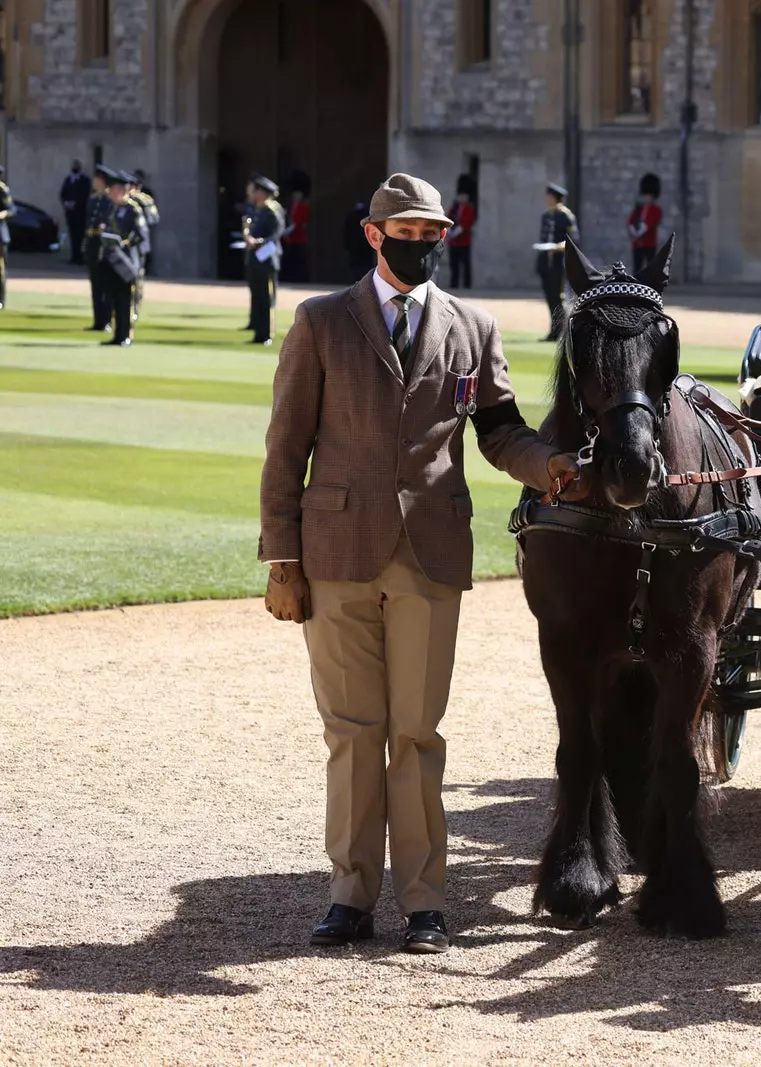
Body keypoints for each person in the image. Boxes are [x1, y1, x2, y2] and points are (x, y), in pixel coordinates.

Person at [259, 173, 583, 954]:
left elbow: (502, 431)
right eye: (408, 231)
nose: (424, 243)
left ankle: (426, 901)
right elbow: (285, 448)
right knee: (351, 730)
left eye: (434, 231)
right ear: (375, 235)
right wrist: (282, 559)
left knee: (417, 732)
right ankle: (349, 895)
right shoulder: (321, 321)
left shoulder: (473, 324)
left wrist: (553, 468)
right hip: (336, 553)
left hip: (430, 553)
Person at [98, 172, 148, 347]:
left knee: (126, 299)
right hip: (114, 259)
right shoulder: (114, 208)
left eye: (113, 190)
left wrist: (124, 243)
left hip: (128, 259)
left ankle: (126, 334)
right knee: (115, 297)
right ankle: (117, 334)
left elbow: (141, 235)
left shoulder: (133, 209)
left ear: (120, 191)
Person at [243, 174, 286, 345]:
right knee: (257, 296)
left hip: (267, 260)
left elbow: (275, 235)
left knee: (267, 298)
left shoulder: (272, 211)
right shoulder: (259, 210)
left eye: (254, 190)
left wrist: (258, 242)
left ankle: (266, 334)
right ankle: (258, 333)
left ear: (261, 192)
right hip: (256, 259)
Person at [536, 182, 578, 341]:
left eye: (549, 196)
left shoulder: (566, 216)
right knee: (549, 296)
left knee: (559, 297)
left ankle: (563, 331)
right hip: (545, 262)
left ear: (555, 198)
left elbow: (574, 240)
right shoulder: (546, 215)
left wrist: (559, 246)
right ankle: (554, 331)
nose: (546, 198)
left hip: (559, 262)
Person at [85, 165, 117, 332]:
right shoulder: (93, 199)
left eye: (97, 180)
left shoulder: (109, 201)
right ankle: (98, 320)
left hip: (103, 245)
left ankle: (106, 320)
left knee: (106, 284)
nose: (95, 183)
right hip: (92, 243)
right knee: (95, 284)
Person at [126, 173, 159, 320]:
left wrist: (140, 221)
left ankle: (135, 308)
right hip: (124, 244)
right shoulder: (123, 200)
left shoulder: (144, 199)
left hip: (139, 245)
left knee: (137, 279)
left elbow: (154, 218)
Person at [627, 173, 663, 275]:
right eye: (646, 195)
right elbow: (631, 220)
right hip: (637, 244)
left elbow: (652, 224)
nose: (647, 198)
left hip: (649, 243)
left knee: (651, 266)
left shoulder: (656, 209)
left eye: (649, 195)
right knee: (637, 267)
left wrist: (639, 232)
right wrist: (633, 231)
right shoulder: (639, 208)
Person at [446, 175, 477, 290]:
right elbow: (448, 219)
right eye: (461, 195)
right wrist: (449, 231)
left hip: (464, 241)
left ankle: (467, 285)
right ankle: (454, 284)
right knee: (454, 265)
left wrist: (458, 231)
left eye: (464, 196)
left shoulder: (469, 209)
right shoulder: (454, 208)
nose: (462, 197)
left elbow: (468, 222)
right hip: (453, 241)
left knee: (465, 264)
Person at [61, 160, 92, 267]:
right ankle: (74, 256)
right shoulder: (68, 180)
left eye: (76, 166)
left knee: (81, 236)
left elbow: (85, 195)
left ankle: (80, 257)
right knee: (73, 235)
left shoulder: (85, 180)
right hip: (70, 214)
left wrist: (76, 204)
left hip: (80, 213)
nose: (74, 167)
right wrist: (66, 203)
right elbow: (63, 193)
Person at [282, 188, 311, 284]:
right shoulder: (289, 206)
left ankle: (301, 280)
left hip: (299, 238)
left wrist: (290, 229)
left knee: (299, 261)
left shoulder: (304, 207)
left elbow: (300, 222)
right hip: (289, 239)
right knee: (289, 261)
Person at [344, 200, 374, 279]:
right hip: (366, 243)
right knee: (364, 263)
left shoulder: (351, 215)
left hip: (355, 244)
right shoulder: (367, 215)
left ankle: (357, 278)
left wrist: (346, 244)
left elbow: (347, 231)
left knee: (357, 264)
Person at [0, 167, 11, 311]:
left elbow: (11, 209)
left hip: (0, 235)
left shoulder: (2, 190)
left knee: (0, 269)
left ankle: (1, 299)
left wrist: (2, 214)